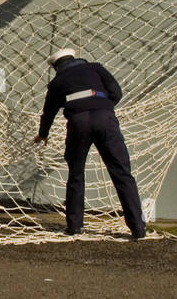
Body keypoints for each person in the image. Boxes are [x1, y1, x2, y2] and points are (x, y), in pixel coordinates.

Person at [33, 49, 145, 239]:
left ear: (56, 66)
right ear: (75, 58)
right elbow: (116, 92)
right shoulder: (95, 68)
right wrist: (104, 108)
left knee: (76, 174)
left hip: (78, 123)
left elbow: (49, 112)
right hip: (105, 119)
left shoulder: (57, 82)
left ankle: (75, 226)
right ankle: (138, 228)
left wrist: (43, 134)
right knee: (122, 173)